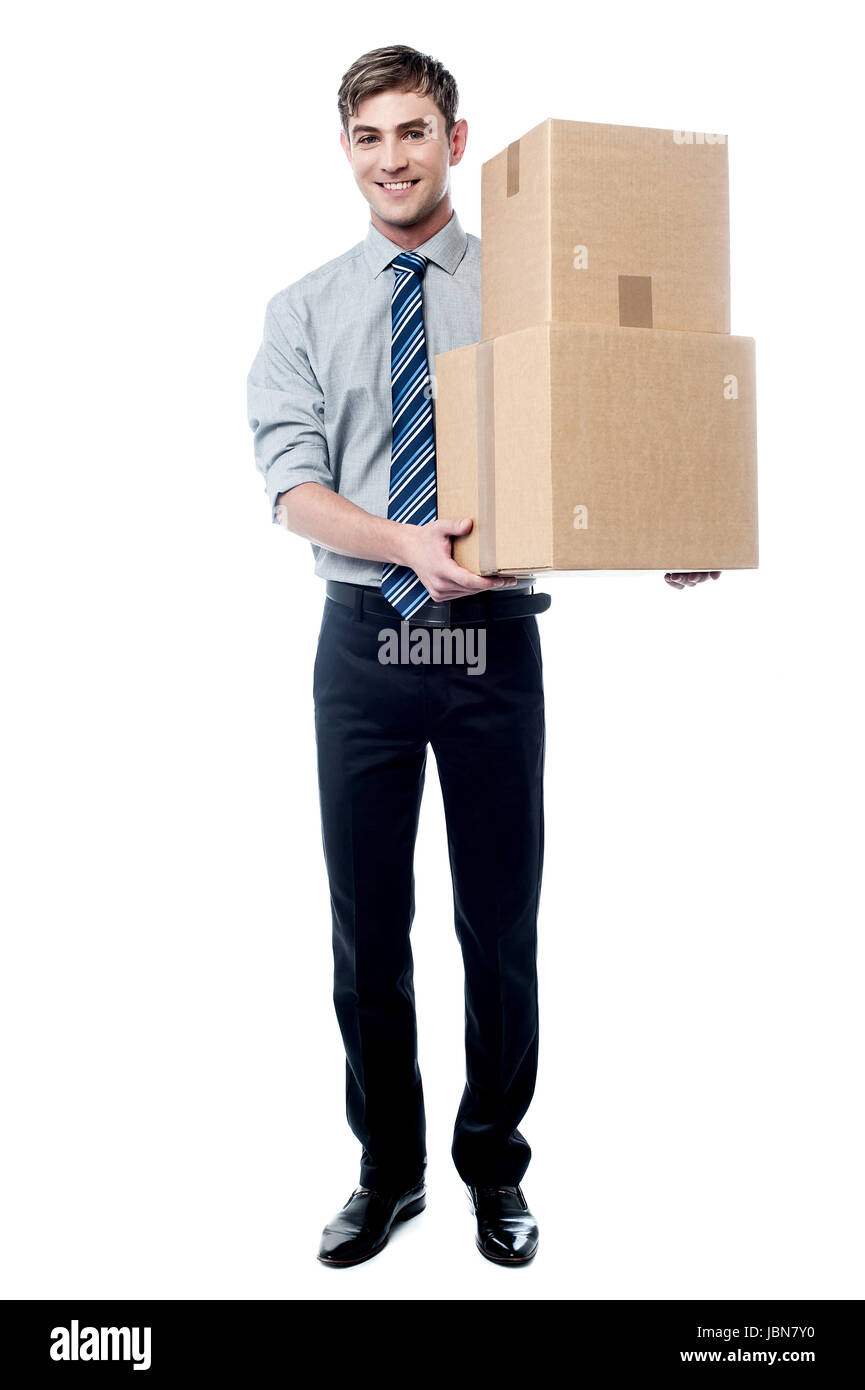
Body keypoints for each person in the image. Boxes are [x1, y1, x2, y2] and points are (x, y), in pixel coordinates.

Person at [247, 43, 718, 1269]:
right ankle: (386, 1172)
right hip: (363, 648)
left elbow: (605, 419)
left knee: (499, 927)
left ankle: (494, 1170)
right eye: (369, 137)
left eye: (414, 132)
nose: (391, 158)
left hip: (492, 651)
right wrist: (402, 536)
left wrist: (666, 517)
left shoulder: (523, 288)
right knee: (369, 928)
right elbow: (293, 488)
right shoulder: (300, 310)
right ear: (345, 150)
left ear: (457, 141)